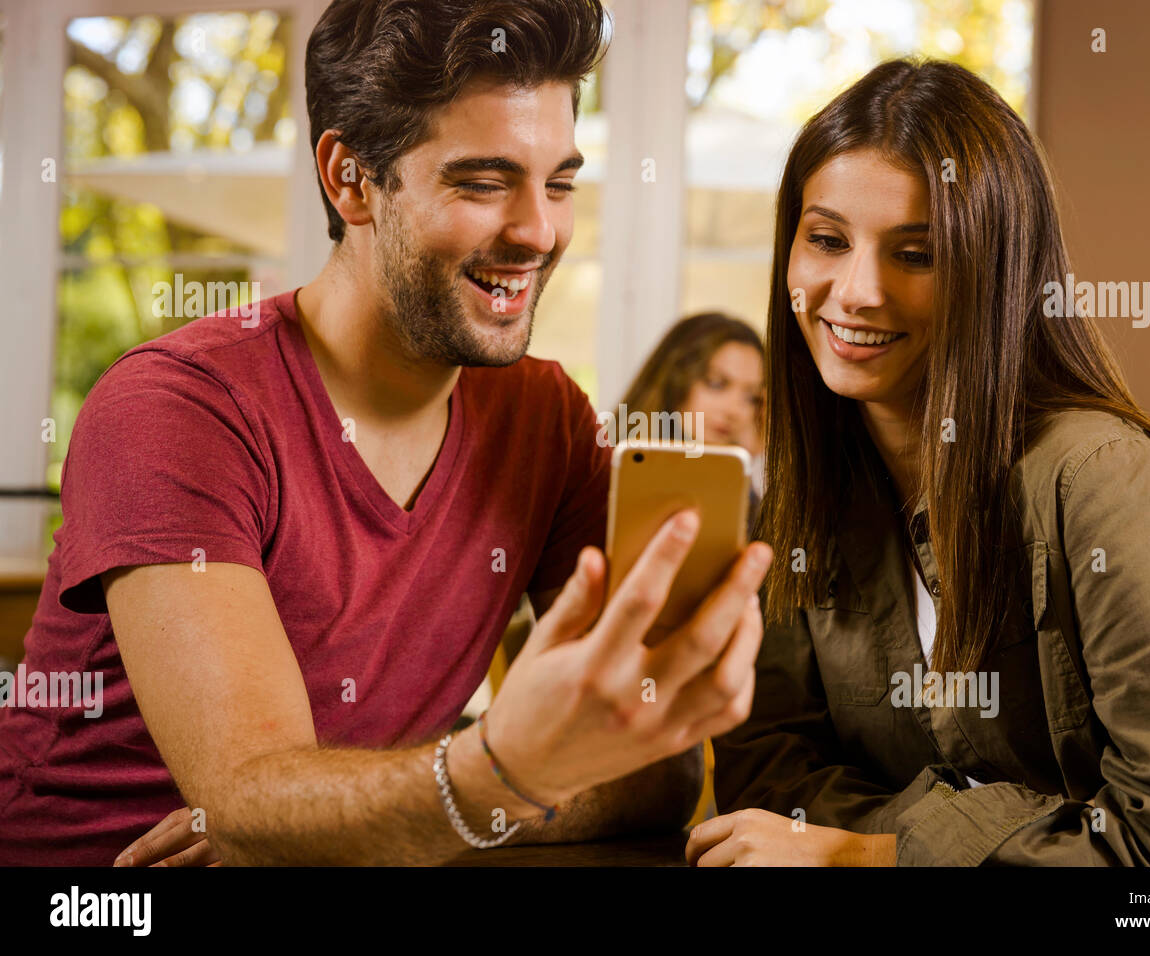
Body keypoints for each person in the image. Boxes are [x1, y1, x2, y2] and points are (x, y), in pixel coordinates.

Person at [0, 0, 772, 866]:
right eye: (482, 183)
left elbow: (659, 771)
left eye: (557, 182)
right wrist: (459, 784)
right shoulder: (178, 408)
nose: (539, 231)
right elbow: (250, 791)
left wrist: (367, 821)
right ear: (351, 178)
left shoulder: (546, 418)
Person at [689, 59, 1150, 866]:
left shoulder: (1117, 488)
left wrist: (868, 854)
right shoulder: (804, 496)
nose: (857, 291)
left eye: (917, 254)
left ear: (996, 276)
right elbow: (770, 779)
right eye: (827, 240)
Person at [617, 312, 765, 463]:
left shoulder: (746, 473)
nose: (734, 410)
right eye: (716, 384)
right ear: (673, 379)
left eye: (752, 398)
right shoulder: (609, 468)